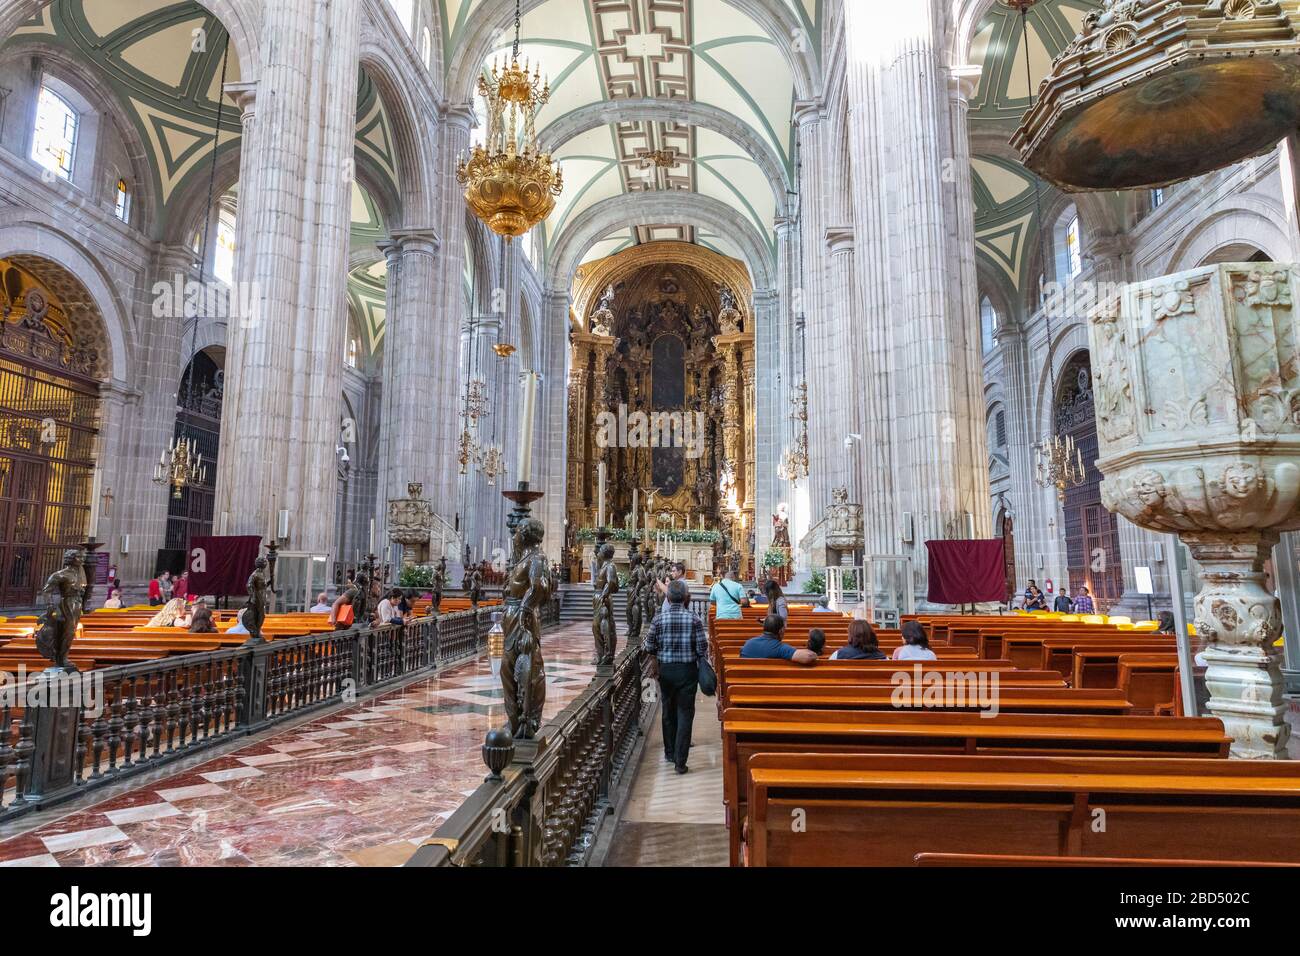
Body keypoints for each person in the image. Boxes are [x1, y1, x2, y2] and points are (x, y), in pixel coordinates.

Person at [642, 578, 709, 774]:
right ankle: (680, 761)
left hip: (666, 670)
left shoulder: (658, 619)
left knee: (668, 711)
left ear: (668, 598)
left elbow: (649, 646)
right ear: (686, 598)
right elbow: (702, 649)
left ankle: (670, 752)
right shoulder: (694, 619)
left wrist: (655, 665)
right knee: (685, 714)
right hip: (688, 671)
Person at [739, 614, 818, 665]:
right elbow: (808, 656)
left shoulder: (748, 643)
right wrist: (816, 654)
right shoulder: (779, 648)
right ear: (781, 631)